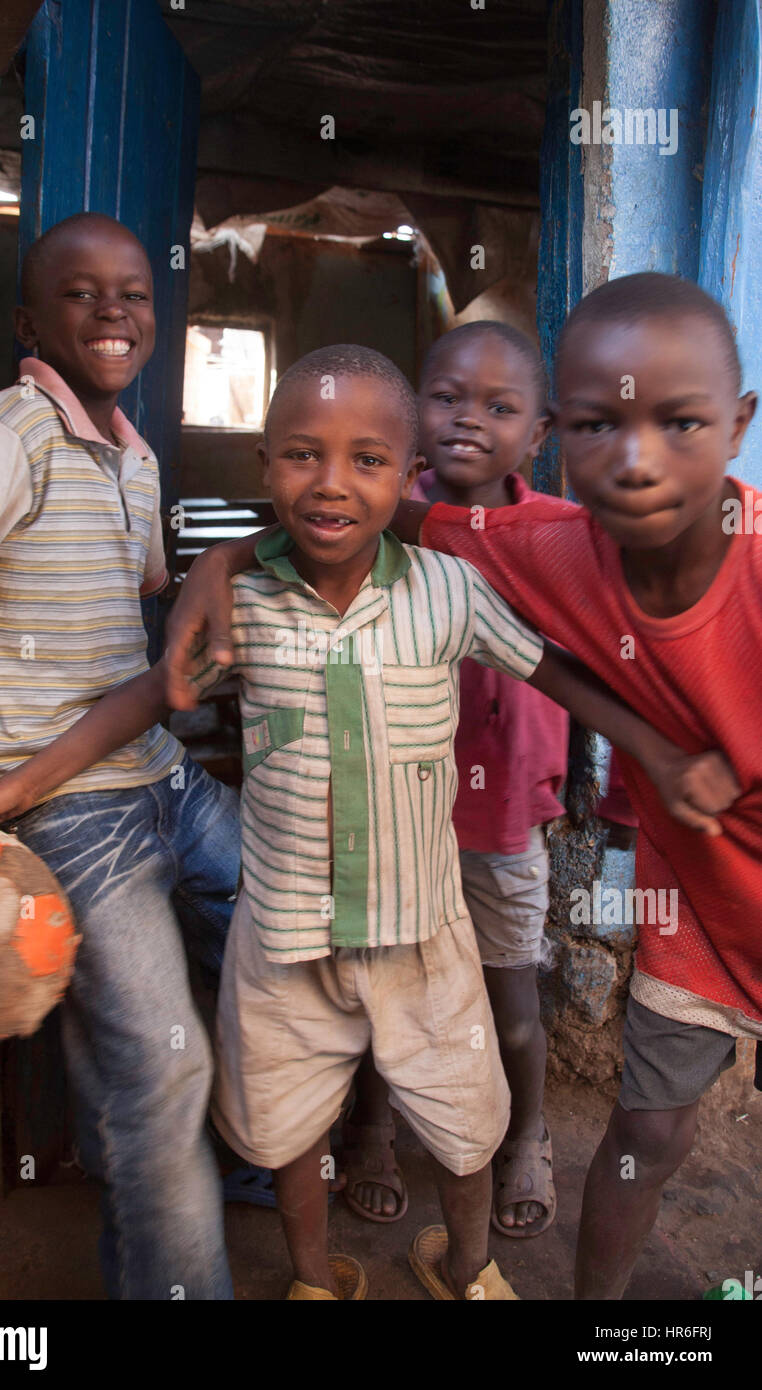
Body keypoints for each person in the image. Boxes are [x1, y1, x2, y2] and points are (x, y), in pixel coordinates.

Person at [0, 343, 740, 1302]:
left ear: (406, 472)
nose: (332, 485)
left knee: (464, 1123)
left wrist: (654, 751)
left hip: (426, 936)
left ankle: (466, 1264)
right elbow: (150, 696)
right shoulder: (240, 603)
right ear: (263, 465)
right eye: (302, 455)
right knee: (289, 1126)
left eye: (368, 461)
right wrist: (20, 783)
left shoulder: (447, 592)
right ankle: (312, 1278)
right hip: (284, 941)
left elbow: (553, 671)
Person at [392, 272, 762, 1299]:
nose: (636, 460)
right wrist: (226, 558)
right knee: (644, 1131)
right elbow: (384, 514)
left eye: (679, 421)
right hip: (693, 915)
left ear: (736, 426)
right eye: (599, 424)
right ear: (560, 438)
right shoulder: (551, 547)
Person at [0, 212, 238, 1301]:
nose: (113, 313)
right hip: (67, 814)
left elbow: (120, 610)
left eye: (133, 293)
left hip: (159, 777)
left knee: (307, 900)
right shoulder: (8, 431)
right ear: (27, 321)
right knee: (166, 1068)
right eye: (81, 294)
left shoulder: (133, 457)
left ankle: (185, 1131)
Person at [340, 321, 568, 1236]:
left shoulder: (553, 537)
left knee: (513, 997)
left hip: (504, 813)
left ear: (540, 431)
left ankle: (528, 1134)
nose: (469, 419)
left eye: (500, 406)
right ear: (412, 410)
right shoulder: (371, 516)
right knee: (376, 981)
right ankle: (373, 1126)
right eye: (446, 398)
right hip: (394, 809)